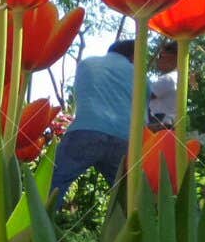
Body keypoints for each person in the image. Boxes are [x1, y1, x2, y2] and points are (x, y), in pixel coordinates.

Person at [49, 39, 135, 199]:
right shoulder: (138, 74)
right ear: (133, 56)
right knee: (128, 197)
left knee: (52, 184)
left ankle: (38, 215)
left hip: (84, 131)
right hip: (123, 139)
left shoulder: (87, 63)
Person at [149, 39, 178, 127]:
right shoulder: (178, 78)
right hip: (167, 123)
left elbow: (144, 96)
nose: (157, 60)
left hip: (157, 124)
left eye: (161, 56)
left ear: (172, 57)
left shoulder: (168, 79)